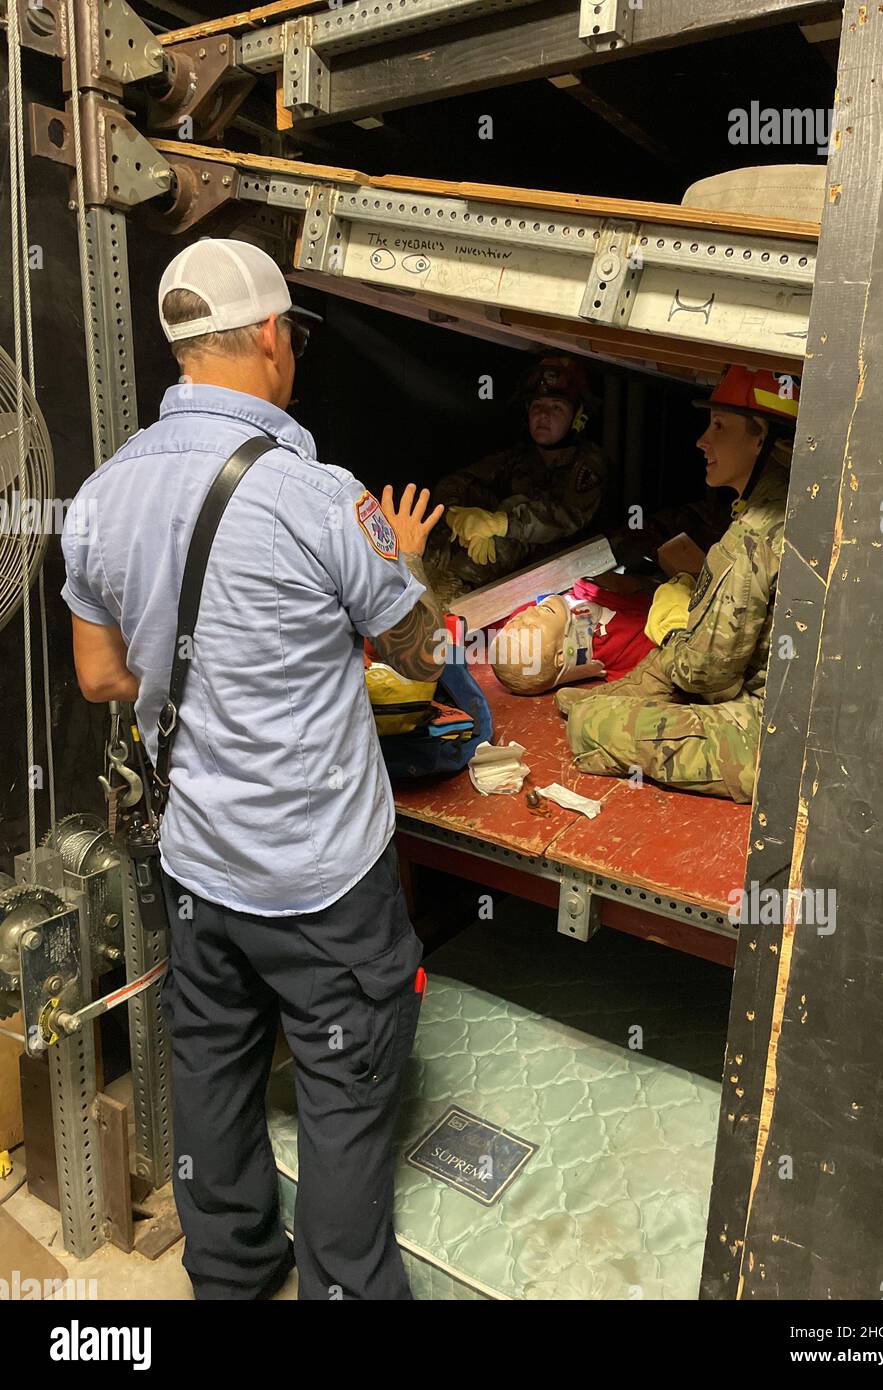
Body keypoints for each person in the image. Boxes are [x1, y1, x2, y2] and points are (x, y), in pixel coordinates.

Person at [60, 238, 446, 1301]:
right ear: (275, 336)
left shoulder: (96, 497)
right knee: (345, 1082)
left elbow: (100, 675)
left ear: (180, 345)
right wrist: (400, 559)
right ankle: (343, 1286)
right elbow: (423, 649)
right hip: (322, 882)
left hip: (197, 863)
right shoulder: (323, 499)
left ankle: (230, 1273)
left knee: (214, 1074)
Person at [556, 365, 798, 804]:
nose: (702, 440)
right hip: (801, 714)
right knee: (647, 679)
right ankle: (623, 696)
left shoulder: (753, 534)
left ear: (759, 437)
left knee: (590, 724)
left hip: (773, 736)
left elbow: (709, 675)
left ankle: (608, 706)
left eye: (719, 426)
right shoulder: (793, 503)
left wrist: (672, 634)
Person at [428, 354, 608, 591]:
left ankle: (456, 587)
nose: (544, 415)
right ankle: (430, 574)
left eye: (556, 407)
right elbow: (456, 482)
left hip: (560, 564)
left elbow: (566, 517)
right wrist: (456, 515)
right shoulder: (521, 455)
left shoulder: (587, 462)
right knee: (468, 504)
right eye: (537, 406)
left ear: (577, 416)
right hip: (510, 561)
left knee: (513, 510)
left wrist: (500, 523)